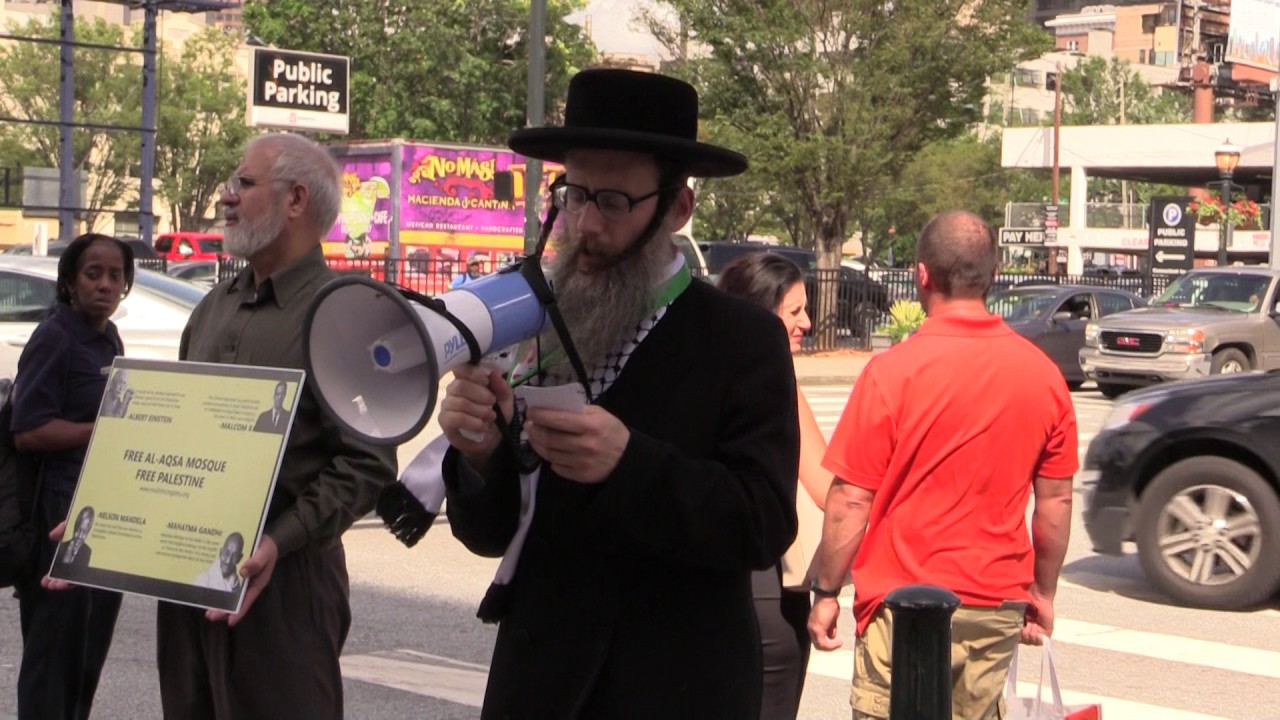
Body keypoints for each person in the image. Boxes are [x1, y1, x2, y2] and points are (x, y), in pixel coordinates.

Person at [437, 68, 800, 719]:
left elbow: (763, 524)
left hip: (675, 687)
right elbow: (491, 535)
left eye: (611, 201)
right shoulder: (537, 320)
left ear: (677, 207)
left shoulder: (741, 339)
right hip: (539, 684)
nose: (583, 225)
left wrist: (631, 464)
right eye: (573, 193)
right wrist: (479, 453)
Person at [152, 132, 398, 719]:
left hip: (286, 584)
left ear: (295, 200)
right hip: (188, 573)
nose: (228, 196)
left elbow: (367, 463)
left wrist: (278, 540)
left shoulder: (347, 311)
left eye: (244, 182)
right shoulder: (213, 307)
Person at [807, 211, 1078, 720]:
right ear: (993, 276)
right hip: (994, 600)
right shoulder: (1043, 377)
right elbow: (1057, 502)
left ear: (922, 276)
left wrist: (826, 591)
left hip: (900, 604)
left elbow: (850, 499)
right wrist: (1042, 590)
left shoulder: (891, 373)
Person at [11, 232, 134, 720]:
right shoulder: (54, 337)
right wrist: (102, 431)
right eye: (93, 274)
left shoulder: (109, 337)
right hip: (55, 510)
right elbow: (29, 430)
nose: (105, 284)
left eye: (116, 275)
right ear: (69, 282)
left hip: (103, 508)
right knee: (52, 658)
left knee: (87, 651)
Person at [717, 252, 832, 720]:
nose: (806, 321)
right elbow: (828, 485)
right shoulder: (776, 381)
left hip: (694, 596)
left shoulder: (694, 371)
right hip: (765, 596)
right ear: (761, 313)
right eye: (794, 311)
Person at [55, 505, 96, 571]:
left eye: (84, 532)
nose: (80, 536)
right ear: (75, 527)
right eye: (78, 530)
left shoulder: (87, 551)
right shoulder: (62, 546)